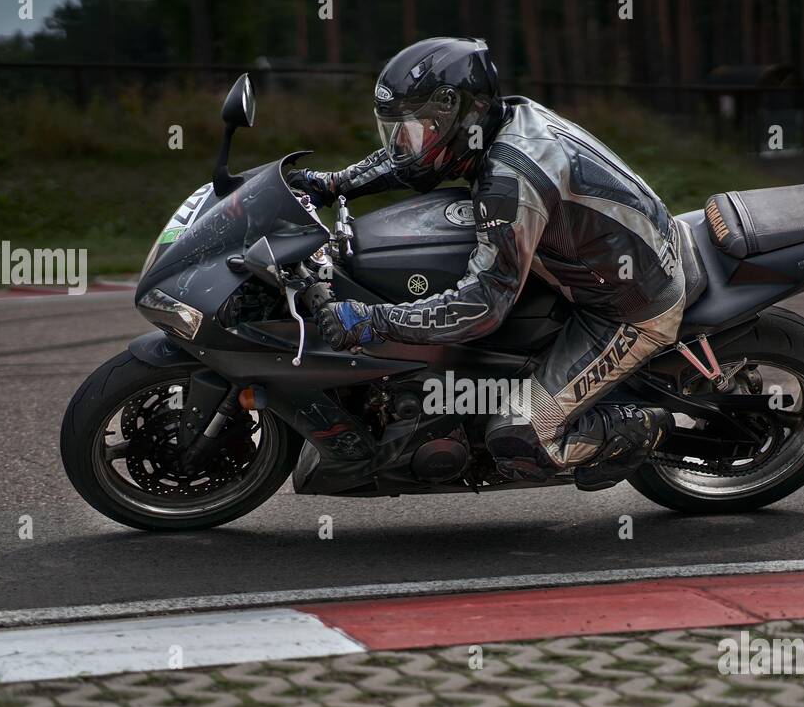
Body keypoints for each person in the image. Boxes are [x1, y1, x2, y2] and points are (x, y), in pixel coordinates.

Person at [288, 37, 692, 490]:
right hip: (591, 263)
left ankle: (635, 429)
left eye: (416, 129)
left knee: (521, 438)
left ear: (457, 113)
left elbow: (482, 305)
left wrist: (371, 321)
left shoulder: (508, 180)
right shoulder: (495, 122)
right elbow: (410, 159)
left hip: (629, 306)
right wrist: (330, 184)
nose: (405, 143)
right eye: (400, 130)